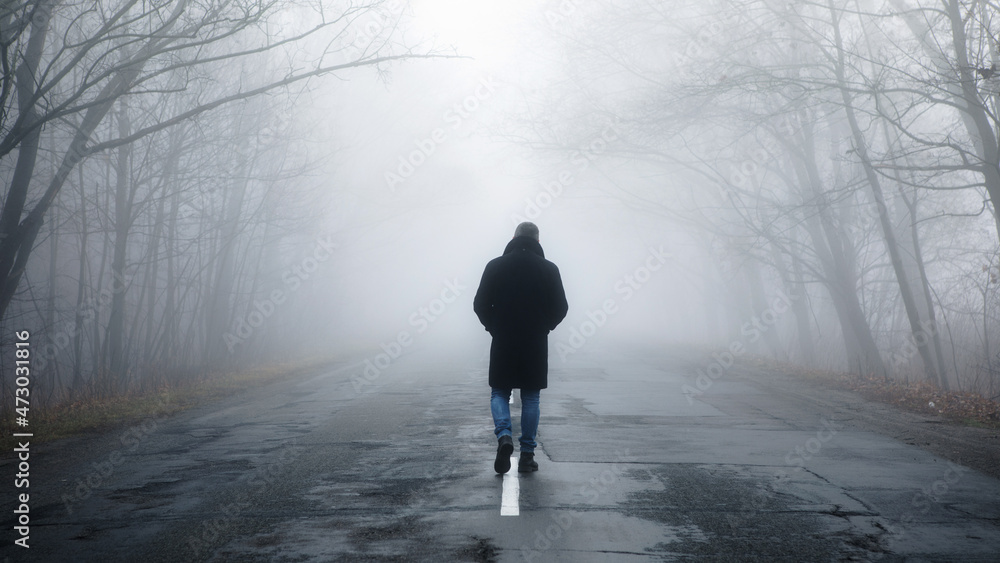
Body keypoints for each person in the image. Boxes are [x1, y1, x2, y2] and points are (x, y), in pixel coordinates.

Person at [473, 222, 568, 474]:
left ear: (513, 237)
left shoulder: (495, 266)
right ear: (538, 240)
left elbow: (480, 304)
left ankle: (504, 435)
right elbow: (561, 308)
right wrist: (544, 327)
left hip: (503, 338)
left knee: (499, 392)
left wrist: (493, 327)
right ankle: (527, 455)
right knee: (531, 397)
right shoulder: (549, 269)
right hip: (534, 341)